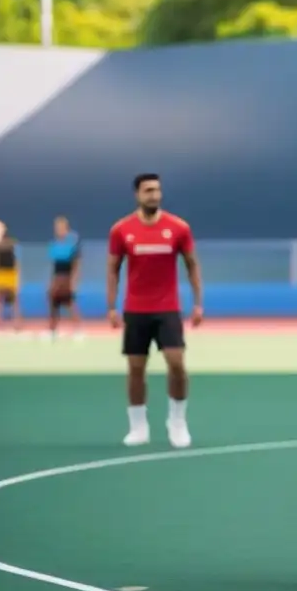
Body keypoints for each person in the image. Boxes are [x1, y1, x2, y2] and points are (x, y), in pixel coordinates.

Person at [107, 174, 203, 449]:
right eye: (148, 190)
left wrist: (198, 303)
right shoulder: (121, 230)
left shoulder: (179, 228)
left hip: (167, 308)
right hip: (136, 309)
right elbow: (112, 269)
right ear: (137, 194)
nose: (154, 195)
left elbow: (192, 266)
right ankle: (138, 426)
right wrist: (112, 306)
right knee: (136, 368)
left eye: (157, 190)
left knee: (177, 363)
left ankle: (177, 422)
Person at [45, 216, 83, 340]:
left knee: (70, 303)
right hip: (57, 277)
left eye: (61, 227)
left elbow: (76, 264)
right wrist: (52, 281)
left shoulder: (72, 243)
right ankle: (52, 330)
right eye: (56, 227)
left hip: (67, 277)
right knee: (53, 302)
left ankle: (78, 330)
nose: (58, 229)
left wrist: (73, 281)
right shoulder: (54, 244)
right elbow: (54, 266)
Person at [0, 220, 23, 334]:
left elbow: (16, 258)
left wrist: (18, 274)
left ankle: (17, 321)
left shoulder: (11, 243)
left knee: (14, 299)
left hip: (11, 273)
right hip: (0, 272)